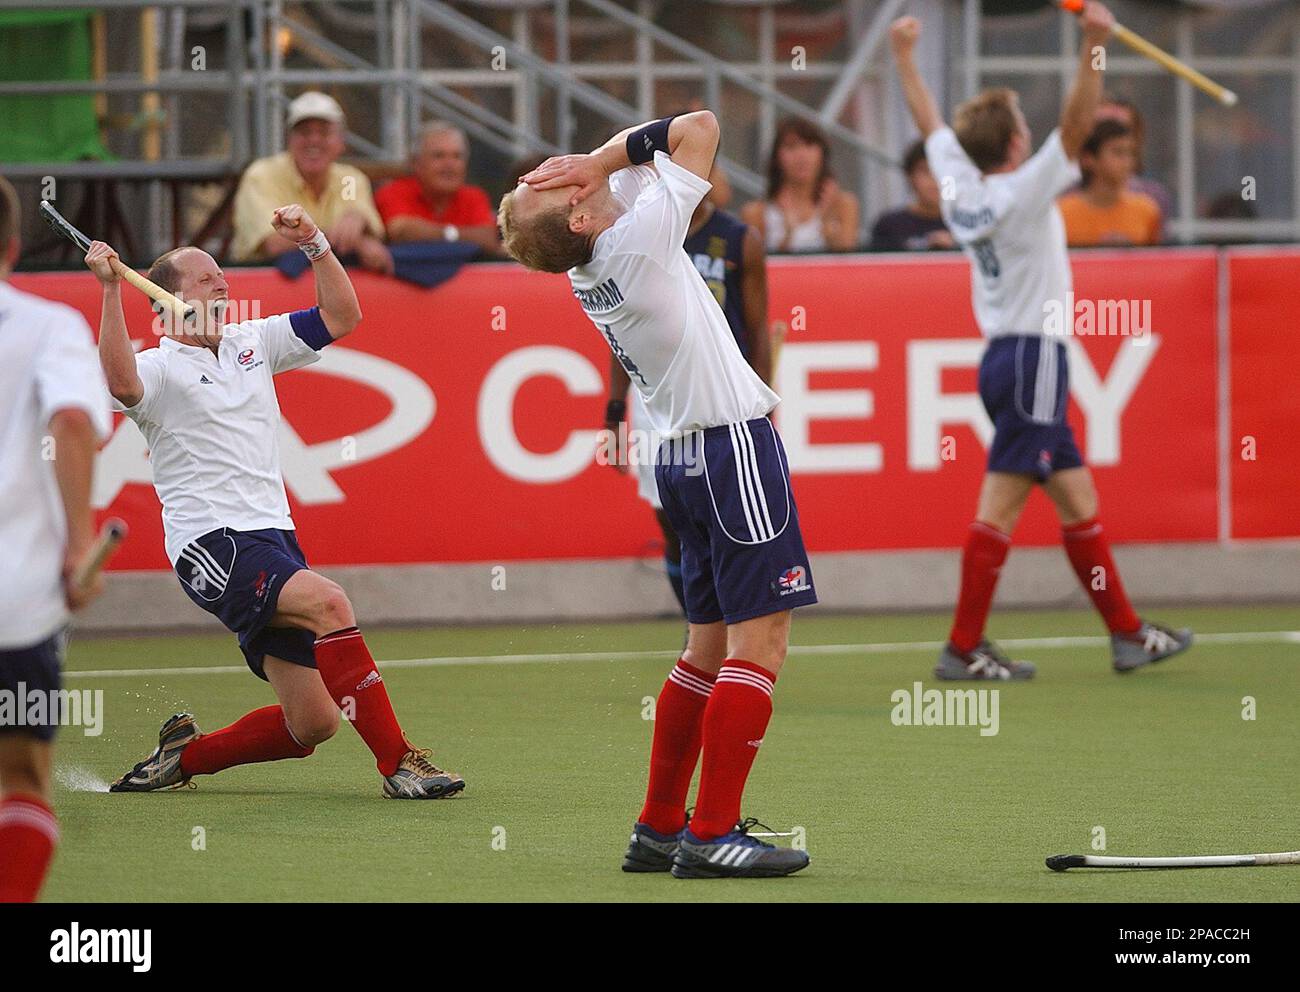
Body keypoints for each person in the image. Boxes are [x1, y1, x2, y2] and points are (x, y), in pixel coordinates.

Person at [500, 111, 815, 878]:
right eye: (541, 183)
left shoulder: (597, 252)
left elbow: (664, 151)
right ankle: (711, 834)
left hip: (677, 456)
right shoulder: (633, 239)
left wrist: (597, 168)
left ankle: (659, 827)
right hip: (728, 445)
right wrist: (597, 157)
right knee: (760, 646)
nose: (547, 169)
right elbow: (702, 125)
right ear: (579, 214)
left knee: (703, 650)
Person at [86, 203, 462, 798]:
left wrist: (315, 241)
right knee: (331, 603)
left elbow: (342, 316)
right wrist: (110, 293)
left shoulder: (251, 342)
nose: (221, 280)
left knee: (312, 724)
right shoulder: (157, 366)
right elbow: (121, 385)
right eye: (205, 275)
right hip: (211, 543)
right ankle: (400, 766)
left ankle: (186, 757)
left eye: (221, 274)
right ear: (165, 299)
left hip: (273, 538)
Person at [889, 8, 1191, 679]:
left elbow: (929, 122)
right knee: (1003, 506)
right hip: (1034, 357)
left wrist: (905, 57)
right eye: (1025, 128)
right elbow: (1079, 127)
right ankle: (964, 648)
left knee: (1077, 499)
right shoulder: (1023, 189)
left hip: (1007, 357)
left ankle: (1126, 632)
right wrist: (1094, 47)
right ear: (1015, 144)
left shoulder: (962, 187)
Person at [0, 176, 111, 901]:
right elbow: (73, 422)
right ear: (13, 246)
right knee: (21, 784)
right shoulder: (47, 324)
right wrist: (79, 545)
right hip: (17, 604)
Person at [604, 194, 772, 615]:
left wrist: (764, 405)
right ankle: (697, 622)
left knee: (725, 520)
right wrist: (613, 412)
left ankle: (727, 622)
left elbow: (757, 330)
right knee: (673, 521)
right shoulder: (635, 237)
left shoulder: (738, 239)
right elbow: (621, 332)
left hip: (721, 398)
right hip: (655, 399)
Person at [231, 92, 392, 274]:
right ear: (289, 140)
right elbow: (273, 244)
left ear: (341, 142)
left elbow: (370, 228)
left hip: (326, 282)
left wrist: (358, 224)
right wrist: (358, 240)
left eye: (324, 132)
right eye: (304, 132)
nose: (314, 140)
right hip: (263, 287)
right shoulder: (261, 175)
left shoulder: (350, 179)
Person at [376, 121, 502, 254]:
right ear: (415, 163)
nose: (449, 165)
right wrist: (459, 234)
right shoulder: (393, 192)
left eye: (457, 156)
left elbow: (488, 238)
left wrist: (439, 233)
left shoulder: (474, 196)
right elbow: (402, 232)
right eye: (439, 156)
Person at [741, 117, 860, 253]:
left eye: (809, 145)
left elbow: (849, 262)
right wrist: (787, 235)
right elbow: (755, 268)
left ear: (822, 153)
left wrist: (828, 225)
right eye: (791, 147)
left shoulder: (844, 205)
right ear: (777, 157)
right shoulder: (756, 212)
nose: (802, 156)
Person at [1058, 119, 1162, 246]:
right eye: (1118, 152)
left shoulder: (1147, 211)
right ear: (1088, 159)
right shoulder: (1063, 213)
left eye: (1131, 153)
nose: (1127, 162)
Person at [869, 138, 953, 251]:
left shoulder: (968, 222)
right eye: (925, 171)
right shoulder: (889, 225)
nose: (934, 180)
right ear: (909, 176)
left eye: (941, 171)